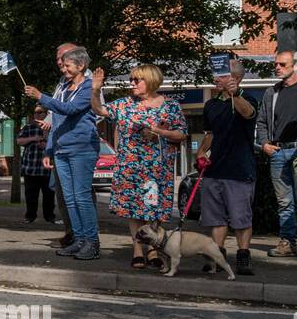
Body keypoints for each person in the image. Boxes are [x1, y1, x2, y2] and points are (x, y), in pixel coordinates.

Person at [90, 64, 187, 269]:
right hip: (130, 167)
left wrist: (160, 132)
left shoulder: (171, 106)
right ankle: (137, 250)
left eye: (137, 80)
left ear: (150, 81)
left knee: (153, 209)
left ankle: (152, 249)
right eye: (131, 80)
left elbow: (181, 134)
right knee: (134, 209)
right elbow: (99, 110)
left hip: (157, 168)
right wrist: (96, 90)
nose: (132, 84)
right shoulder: (125, 104)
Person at [26, 47, 100, 260]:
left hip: (82, 148)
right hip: (61, 149)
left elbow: (70, 110)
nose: (64, 69)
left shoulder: (88, 87)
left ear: (81, 66)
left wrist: (41, 96)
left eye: (68, 65)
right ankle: (78, 239)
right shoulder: (64, 86)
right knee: (69, 198)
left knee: (82, 196)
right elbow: (56, 120)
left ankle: (91, 241)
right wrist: (50, 148)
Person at [196, 59, 258, 275]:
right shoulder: (210, 105)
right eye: (216, 74)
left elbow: (248, 113)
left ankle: (243, 256)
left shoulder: (247, 99)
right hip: (214, 169)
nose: (216, 78)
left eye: (222, 74)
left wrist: (235, 94)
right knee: (216, 217)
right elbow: (210, 133)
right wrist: (202, 151)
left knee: (241, 217)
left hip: (239, 169)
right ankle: (217, 255)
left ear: (236, 78)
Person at [257, 51, 297, 259]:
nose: (277, 67)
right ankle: (288, 243)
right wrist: (264, 143)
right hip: (278, 151)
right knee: (284, 203)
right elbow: (262, 121)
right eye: (276, 64)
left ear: (295, 66)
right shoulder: (271, 92)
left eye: (282, 64)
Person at [17, 105, 54, 224]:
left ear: (46, 114)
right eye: (35, 113)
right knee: (30, 195)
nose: (36, 115)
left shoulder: (52, 128)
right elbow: (19, 141)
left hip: (47, 169)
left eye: (39, 112)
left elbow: (57, 142)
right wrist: (33, 138)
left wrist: (47, 145)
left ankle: (49, 217)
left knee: (49, 195)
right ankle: (30, 217)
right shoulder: (29, 127)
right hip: (31, 168)